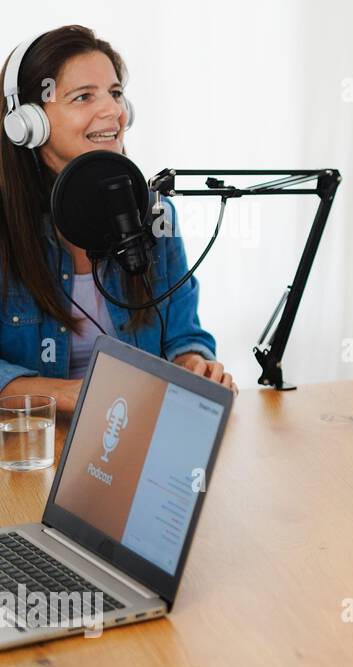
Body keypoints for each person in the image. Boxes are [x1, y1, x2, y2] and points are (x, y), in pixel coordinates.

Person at [0, 25, 234, 415]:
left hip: (128, 438)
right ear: (26, 122)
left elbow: (183, 334)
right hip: (25, 451)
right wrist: (68, 395)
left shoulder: (156, 215)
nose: (113, 111)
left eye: (115, 93)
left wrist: (193, 364)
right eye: (83, 97)